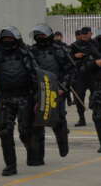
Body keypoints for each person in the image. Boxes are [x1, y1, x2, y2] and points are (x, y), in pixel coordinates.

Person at [0, 27, 37, 176]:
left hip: (24, 97)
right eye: (4, 40)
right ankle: (10, 165)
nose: (7, 42)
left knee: (24, 131)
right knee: (5, 132)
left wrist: (38, 97)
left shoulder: (25, 53)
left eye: (10, 39)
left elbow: (35, 74)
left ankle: (30, 149)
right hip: (4, 98)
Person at [28, 24, 73, 162]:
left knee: (57, 121)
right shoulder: (31, 51)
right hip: (37, 91)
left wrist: (63, 87)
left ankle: (63, 144)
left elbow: (70, 70)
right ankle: (37, 157)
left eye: (43, 35)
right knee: (36, 124)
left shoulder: (59, 51)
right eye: (38, 36)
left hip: (56, 90)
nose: (40, 38)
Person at [68, 27, 94, 126]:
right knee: (79, 98)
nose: (84, 36)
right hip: (79, 76)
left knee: (96, 96)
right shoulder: (74, 45)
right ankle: (81, 119)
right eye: (82, 34)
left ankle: (97, 116)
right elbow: (68, 57)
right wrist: (75, 56)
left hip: (92, 74)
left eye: (86, 33)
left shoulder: (94, 43)